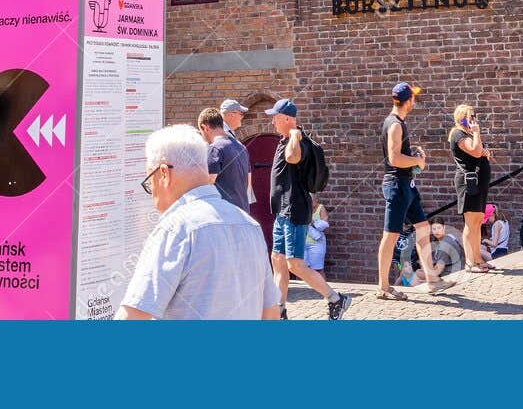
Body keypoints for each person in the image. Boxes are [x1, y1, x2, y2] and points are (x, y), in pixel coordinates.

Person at [117, 125, 280, 319]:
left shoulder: (175, 228)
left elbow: (132, 316)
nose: (151, 192)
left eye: (149, 182)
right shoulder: (249, 225)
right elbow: (270, 312)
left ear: (163, 174)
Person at [265, 98, 352, 319]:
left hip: (294, 210)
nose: (272, 121)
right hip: (281, 211)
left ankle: (336, 298)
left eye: (275, 117)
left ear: (286, 118)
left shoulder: (298, 141)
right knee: (278, 259)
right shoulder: (285, 139)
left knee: (295, 263)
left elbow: (292, 158)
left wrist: (294, 134)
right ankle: (280, 309)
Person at [377, 82, 450, 300]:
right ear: (408, 101)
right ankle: (383, 287)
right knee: (390, 236)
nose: (414, 102)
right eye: (413, 98)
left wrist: (412, 153)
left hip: (406, 185)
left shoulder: (397, 123)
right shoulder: (395, 124)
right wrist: (418, 160)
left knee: (422, 227)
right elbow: (394, 158)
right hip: (396, 185)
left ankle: (431, 279)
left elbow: (400, 153)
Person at [449, 103, 494, 271]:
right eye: (471, 117)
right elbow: (475, 151)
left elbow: (480, 150)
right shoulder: (458, 134)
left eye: (474, 116)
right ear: (462, 119)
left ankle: (478, 259)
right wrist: (477, 134)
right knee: (470, 223)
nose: (474, 120)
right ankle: (470, 261)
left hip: (479, 181)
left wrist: (485, 150)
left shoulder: (469, 134)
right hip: (468, 182)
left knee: (477, 223)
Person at [199, 106, 250, 211]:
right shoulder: (242, 147)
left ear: (205, 127)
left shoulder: (215, 148)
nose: (202, 136)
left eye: (201, 131)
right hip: (243, 211)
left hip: (225, 213)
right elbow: (248, 182)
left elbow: (208, 182)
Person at [305, 203, 330, 274]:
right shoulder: (300, 206)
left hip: (316, 244)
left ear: (316, 200)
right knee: (300, 270)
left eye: (311, 200)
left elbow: (327, 230)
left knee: (317, 271)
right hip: (301, 242)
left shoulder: (320, 208)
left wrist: (313, 223)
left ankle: (322, 285)